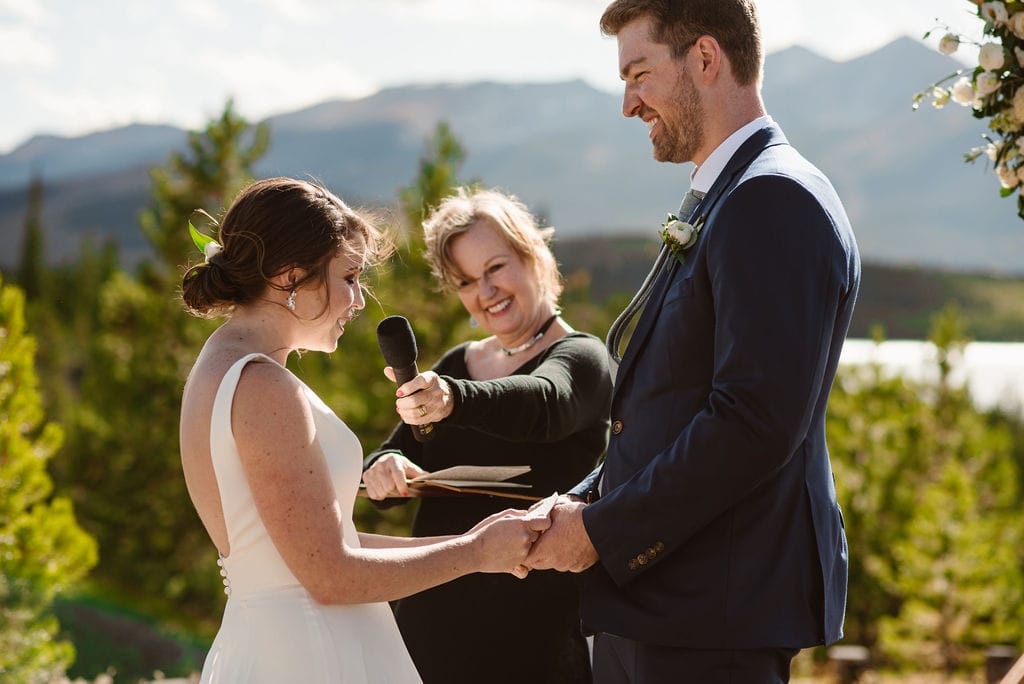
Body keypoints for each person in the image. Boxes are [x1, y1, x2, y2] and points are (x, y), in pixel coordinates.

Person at [524, 1, 859, 682]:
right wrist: (586, 499)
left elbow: (755, 421)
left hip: (710, 618)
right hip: (662, 606)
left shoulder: (773, 200)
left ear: (705, 58)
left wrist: (601, 534)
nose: (627, 104)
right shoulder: (725, 196)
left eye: (639, 73)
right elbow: (670, 403)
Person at [178, 177, 549, 683]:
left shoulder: (217, 364)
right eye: (350, 277)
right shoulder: (265, 386)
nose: (358, 300)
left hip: (274, 640)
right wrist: (477, 553)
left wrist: (474, 543)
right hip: (311, 653)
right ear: (292, 278)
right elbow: (331, 576)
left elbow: (322, 548)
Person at [362, 187, 613, 683]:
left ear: (534, 256)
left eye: (496, 268)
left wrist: (454, 399)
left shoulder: (582, 358)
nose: (486, 291)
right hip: (430, 628)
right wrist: (383, 467)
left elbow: (545, 403)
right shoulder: (458, 363)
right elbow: (395, 449)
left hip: (532, 639)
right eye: (467, 281)